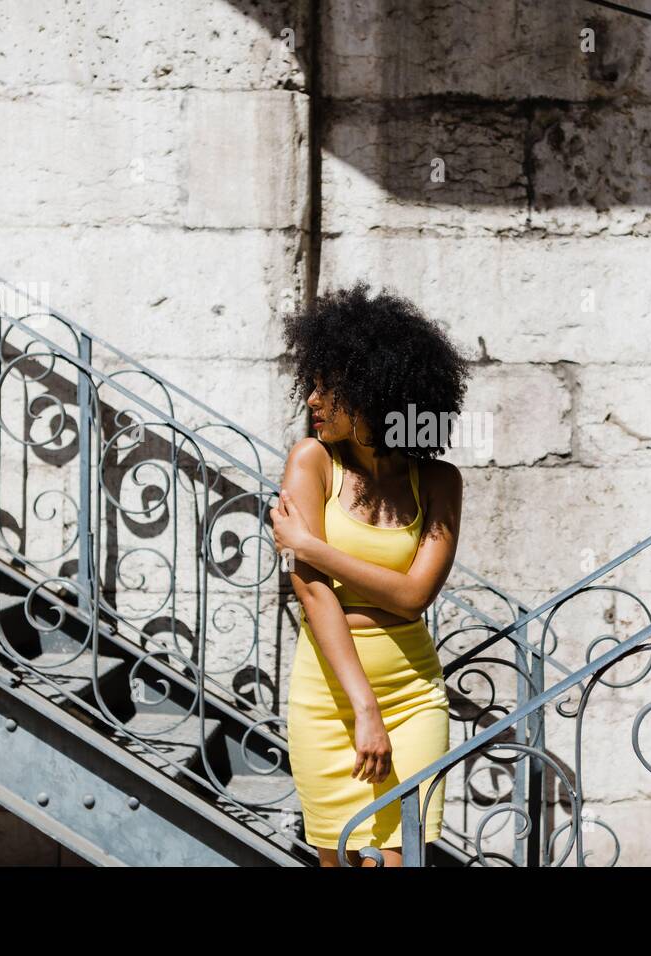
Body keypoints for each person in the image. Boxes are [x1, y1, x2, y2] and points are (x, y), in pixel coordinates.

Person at [269, 281, 469, 867]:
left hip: (414, 693)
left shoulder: (438, 481)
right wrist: (363, 708)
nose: (312, 401)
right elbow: (311, 592)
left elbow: (413, 597)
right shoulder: (311, 461)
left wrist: (309, 544)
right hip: (331, 696)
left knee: (405, 855)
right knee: (337, 859)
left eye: (326, 388)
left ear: (372, 393)